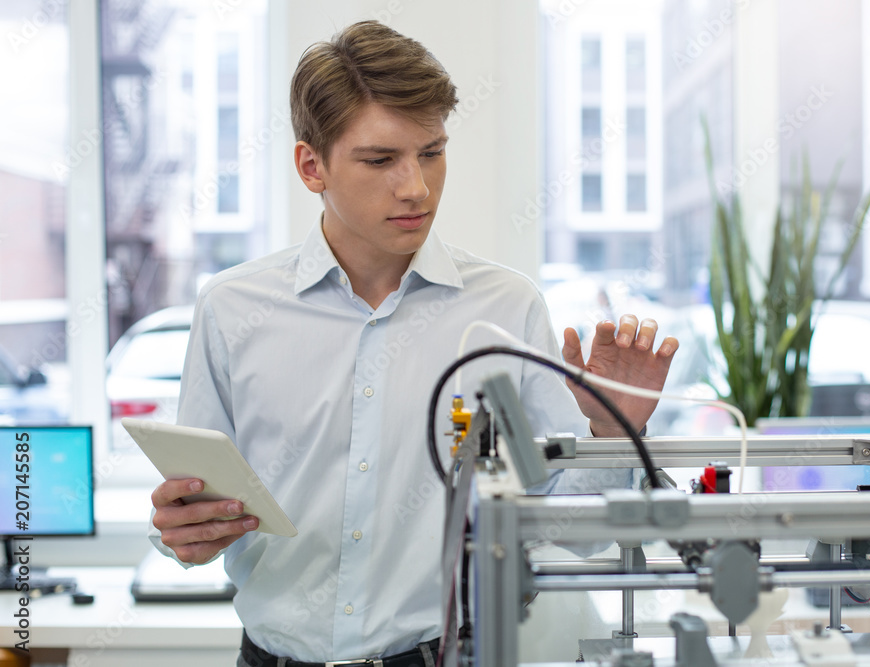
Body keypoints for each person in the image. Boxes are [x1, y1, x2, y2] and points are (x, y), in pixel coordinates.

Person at [149, 20, 678, 666]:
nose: (416, 187)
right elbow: (196, 508)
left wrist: (611, 434)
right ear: (311, 165)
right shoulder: (232, 309)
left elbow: (578, 532)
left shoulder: (505, 310)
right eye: (381, 159)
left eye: (431, 152)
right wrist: (183, 533)